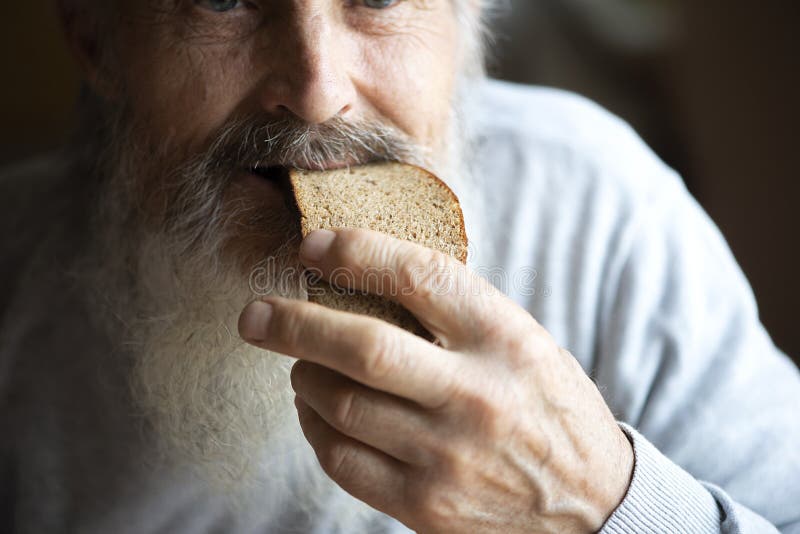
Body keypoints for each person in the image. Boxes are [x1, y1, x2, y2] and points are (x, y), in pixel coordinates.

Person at [1, 0, 798, 532]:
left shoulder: (600, 212)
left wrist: (599, 504)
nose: (317, 92)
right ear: (95, 39)